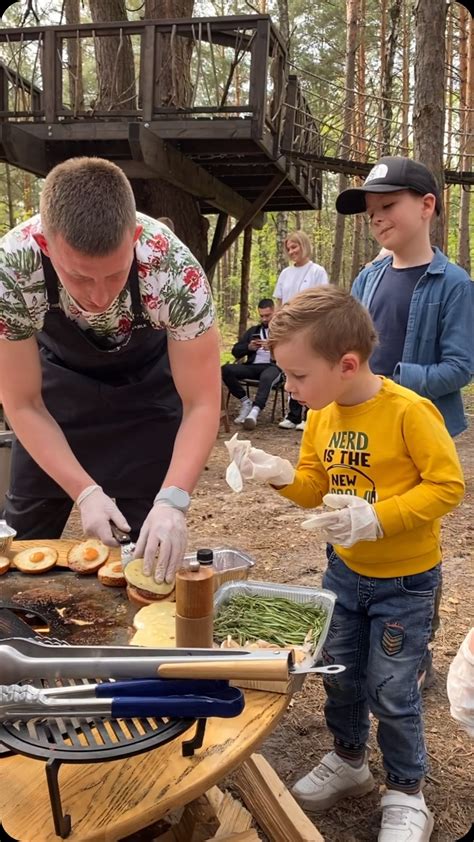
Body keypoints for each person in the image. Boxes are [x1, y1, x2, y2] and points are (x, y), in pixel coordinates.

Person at [225, 286, 464, 842]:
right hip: (343, 574)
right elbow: (315, 488)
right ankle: (350, 762)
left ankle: (407, 791)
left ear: (348, 364)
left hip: (405, 581)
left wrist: (378, 519)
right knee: (341, 677)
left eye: (299, 376)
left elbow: (448, 486)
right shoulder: (322, 417)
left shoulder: (408, 411)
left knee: (393, 690)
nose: (288, 386)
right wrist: (278, 474)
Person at [0, 157, 221, 583]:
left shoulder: (174, 271)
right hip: (54, 400)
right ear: (47, 247)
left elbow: (202, 402)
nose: (99, 296)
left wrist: (173, 500)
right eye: (79, 277)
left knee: (147, 562)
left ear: (135, 237)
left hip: (147, 400)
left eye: (116, 273)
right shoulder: (12, 268)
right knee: (17, 556)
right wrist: (85, 492)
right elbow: (21, 402)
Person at [337, 156, 473, 689]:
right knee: (357, 520)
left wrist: (393, 378)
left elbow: (461, 367)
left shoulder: (454, 284)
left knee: (415, 539)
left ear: (427, 206)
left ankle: (415, 651)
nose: (377, 218)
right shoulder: (366, 277)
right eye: (371, 211)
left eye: (388, 206)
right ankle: (363, 627)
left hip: (421, 437)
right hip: (365, 434)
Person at [273, 230, 328, 431]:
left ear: (304, 246)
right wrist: (277, 326)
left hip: (309, 327)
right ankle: (293, 415)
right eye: (288, 248)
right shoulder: (285, 273)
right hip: (288, 328)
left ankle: (309, 415)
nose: (291, 251)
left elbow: (322, 300)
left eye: (294, 247)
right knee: (292, 371)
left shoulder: (317, 271)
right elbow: (278, 301)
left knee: (309, 370)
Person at [221, 298, 282, 430]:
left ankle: (254, 412)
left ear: (275, 313)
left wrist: (272, 348)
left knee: (267, 376)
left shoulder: (282, 331)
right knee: (225, 369)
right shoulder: (254, 330)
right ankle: (245, 402)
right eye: (261, 316)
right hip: (252, 367)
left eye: (267, 315)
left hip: (273, 367)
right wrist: (248, 347)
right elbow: (235, 351)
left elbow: (292, 352)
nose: (264, 319)